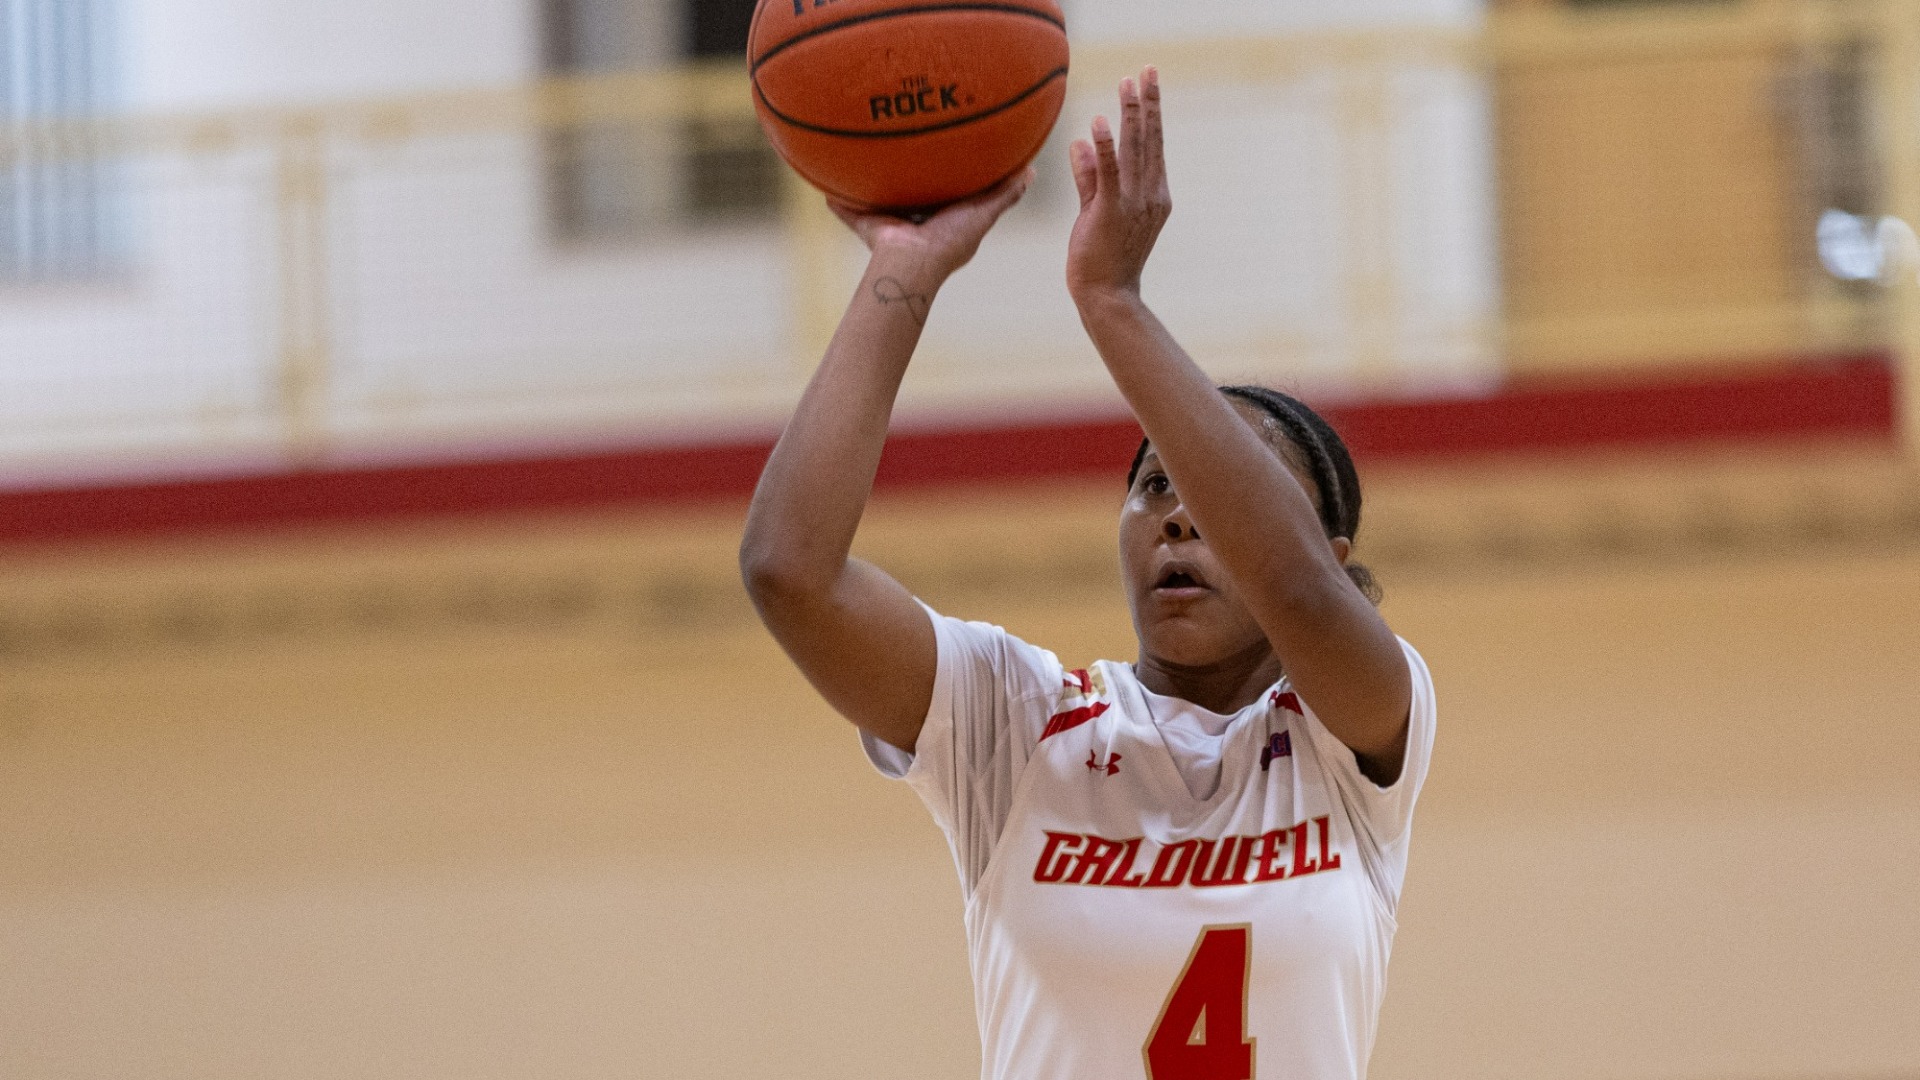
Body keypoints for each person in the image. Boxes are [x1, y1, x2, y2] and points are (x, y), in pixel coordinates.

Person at [740, 66, 1436, 1080]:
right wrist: (904, 271)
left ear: (1333, 558)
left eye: (1226, 495)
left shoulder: (1354, 741)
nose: (1182, 515)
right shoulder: (1016, 720)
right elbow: (790, 571)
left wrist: (1113, 304)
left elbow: (1295, 593)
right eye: (1153, 487)